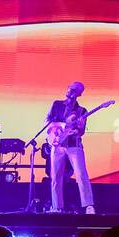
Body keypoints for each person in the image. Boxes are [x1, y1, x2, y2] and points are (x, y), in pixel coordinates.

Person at [46, 81, 96, 214]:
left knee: (81, 174)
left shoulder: (82, 111)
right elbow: (48, 121)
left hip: (74, 145)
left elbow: (81, 132)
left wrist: (78, 128)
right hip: (57, 145)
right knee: (55, 177)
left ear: (79, 94)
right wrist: (58, 130)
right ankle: (57, 207)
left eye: (75, 90)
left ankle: (88, 206)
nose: (71, 91)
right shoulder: (56, 105)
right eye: (70, 88)